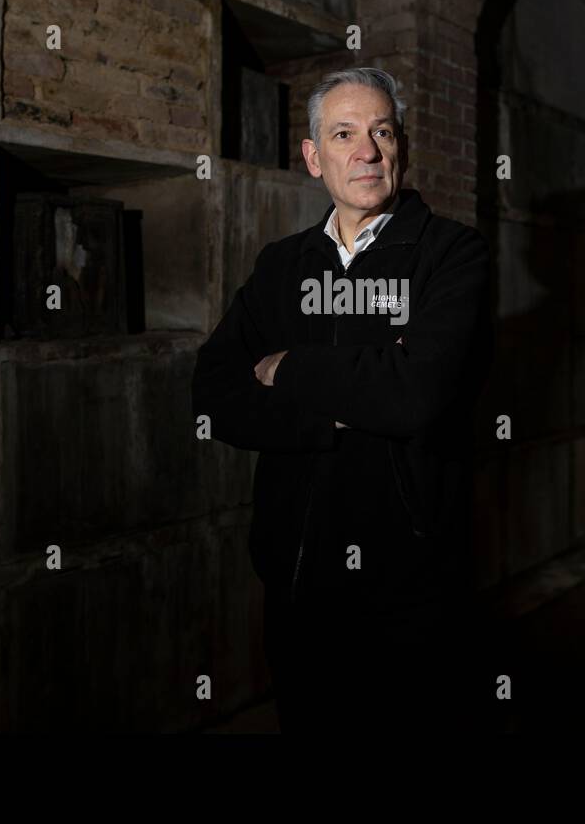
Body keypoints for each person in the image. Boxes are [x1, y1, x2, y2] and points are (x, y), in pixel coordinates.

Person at [192, 67, 493, 732]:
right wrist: (333, 411)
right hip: (296, 580)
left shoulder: (451, 255)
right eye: (345, 133)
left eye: (382, 131)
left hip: (408, 589)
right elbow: (212, 393)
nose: (368, 151)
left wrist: (289, 364)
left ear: (402, 147)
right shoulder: (282, 265)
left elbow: (415, 393)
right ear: (312, 156)